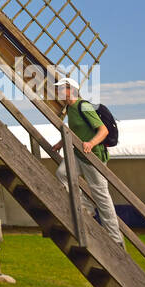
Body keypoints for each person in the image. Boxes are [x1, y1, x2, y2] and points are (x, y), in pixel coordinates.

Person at [50, 79, 124, 246]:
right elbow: (76, 130)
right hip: (78, 153)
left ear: (71, 90)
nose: (58, 91)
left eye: (61, 88)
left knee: (101, 197)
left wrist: (91, 143)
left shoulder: (83, 106)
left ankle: (115, 238)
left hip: (93, 157)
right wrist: (61, 143)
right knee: (62, 174)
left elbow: (103, 131)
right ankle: (86, 207)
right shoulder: (69, 108)